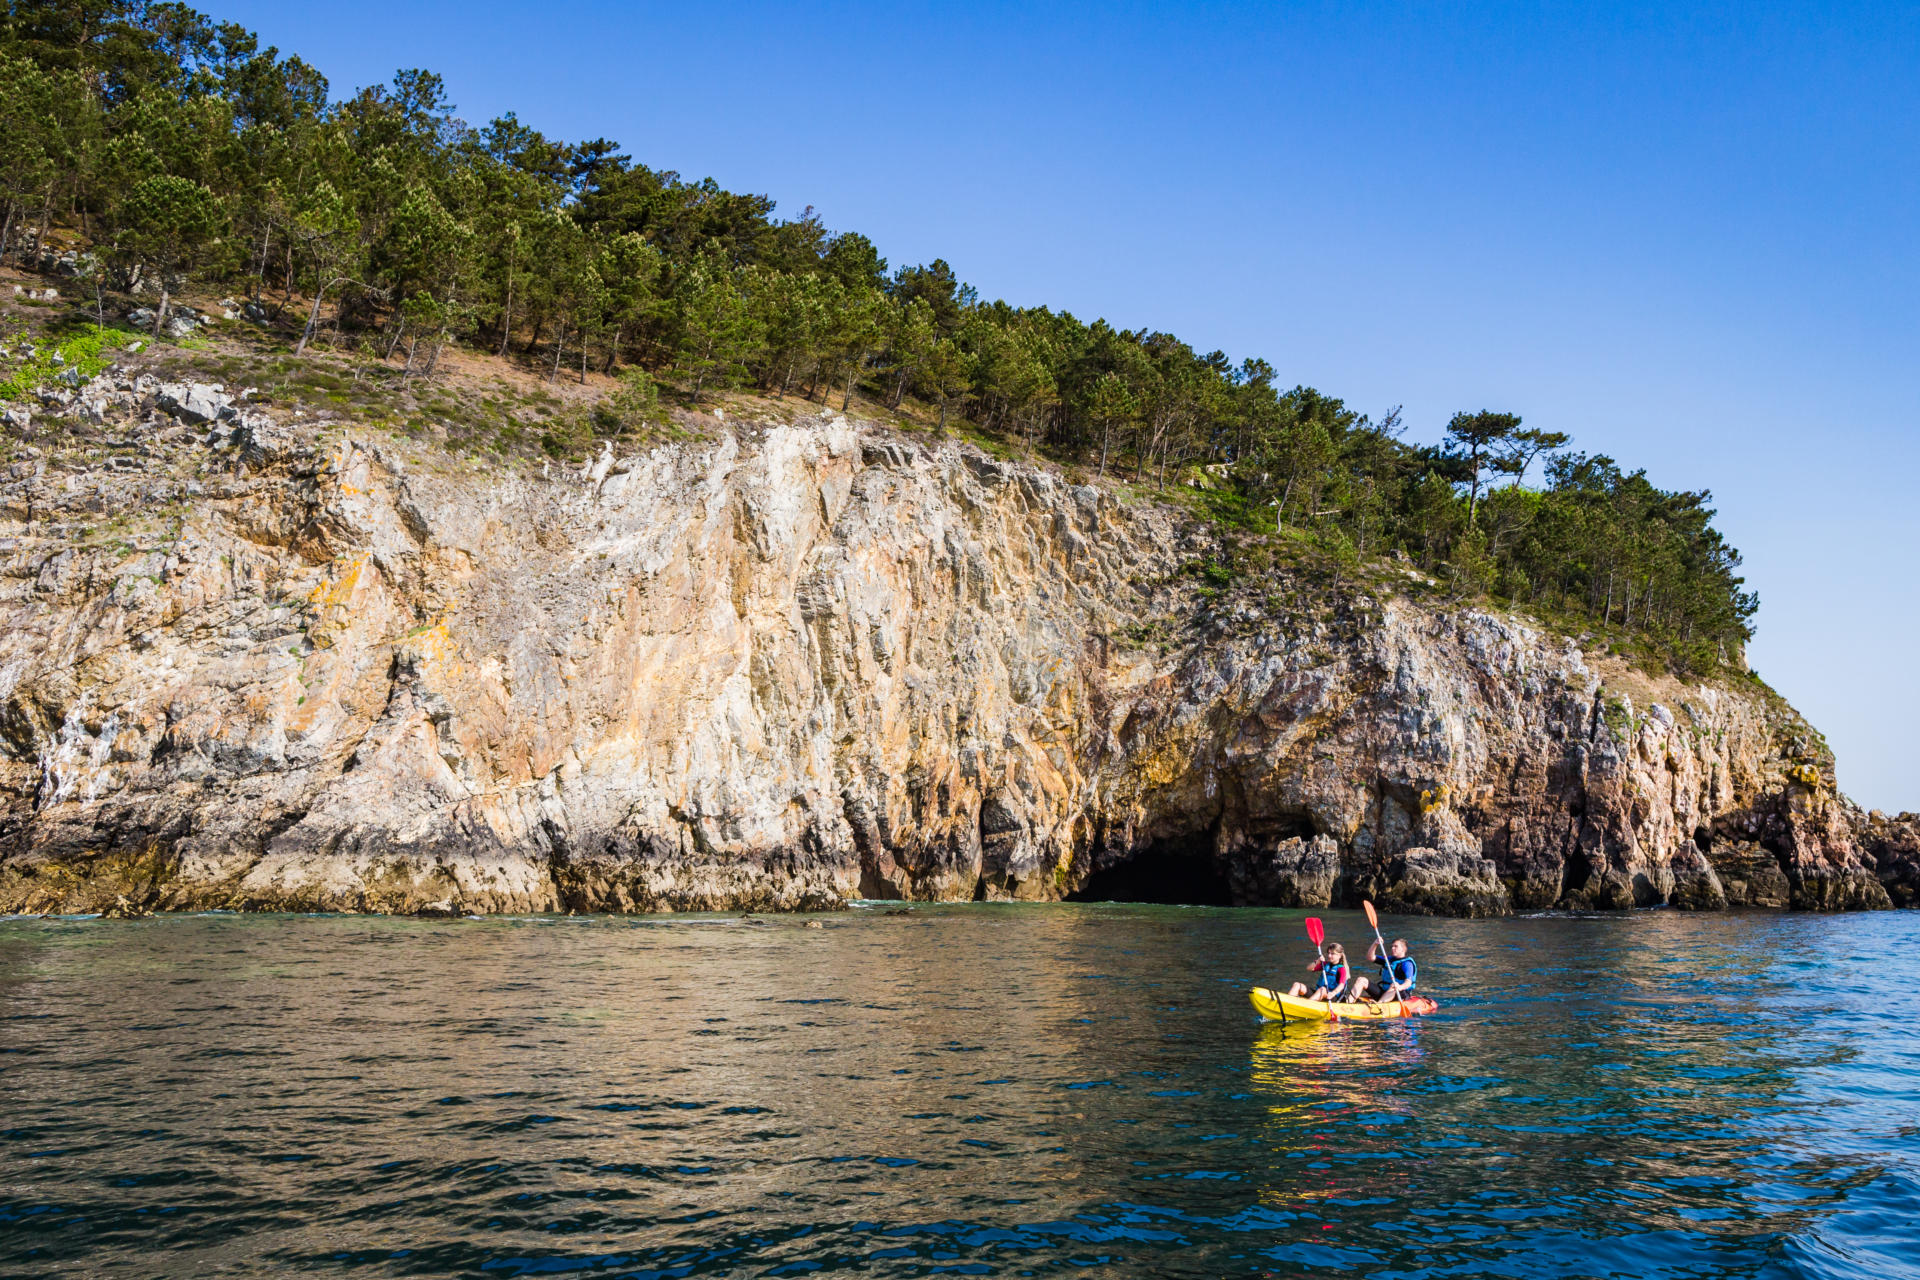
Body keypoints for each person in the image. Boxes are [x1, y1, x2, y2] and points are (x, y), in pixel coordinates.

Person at [1350, 938, 1417, 1003]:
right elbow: (1370, 957)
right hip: (1384, 992)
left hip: (1400, 994)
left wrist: (1400, 987)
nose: (1392, 948)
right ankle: (1348, 1002)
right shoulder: (1389, 960)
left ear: (1403, 949)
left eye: (1396, 946)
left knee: (1394, 985)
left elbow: (1408, 982)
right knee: (1361, 980)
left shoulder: (1407, 964)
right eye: (1392, 946)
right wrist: (1375, 944)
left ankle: (1379, 1005)